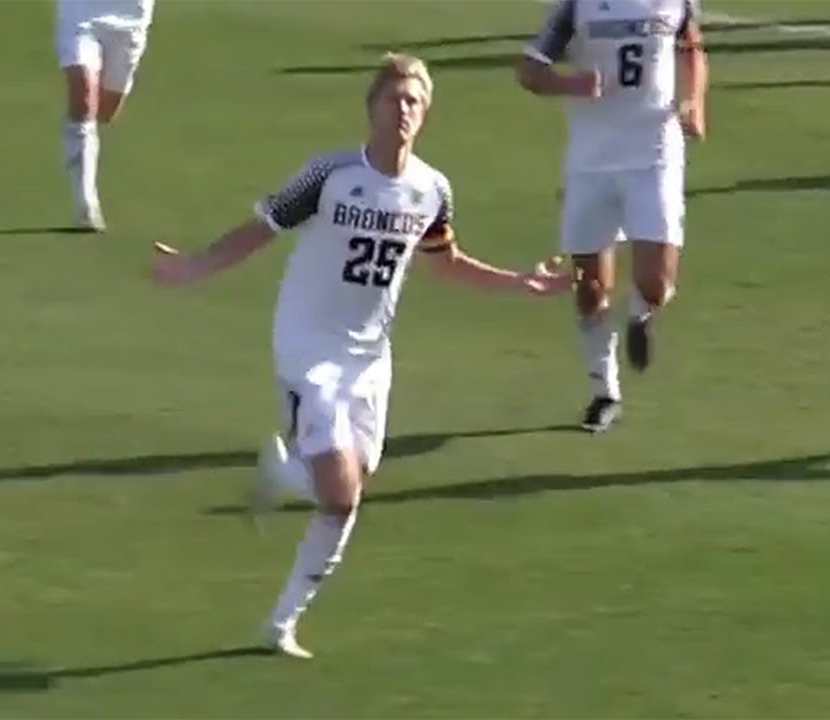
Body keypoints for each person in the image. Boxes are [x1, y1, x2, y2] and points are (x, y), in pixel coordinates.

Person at [152, 54, 569, 658]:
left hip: (371, 356)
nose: (404, 110)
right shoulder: (329, 175)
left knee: (348, 489)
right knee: (342, 493)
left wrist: (519, 282)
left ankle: (280, 616)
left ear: (426, 115)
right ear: (371, 106)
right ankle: (290, 549)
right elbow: (260, 228)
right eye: (394, 98)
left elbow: (445, 263)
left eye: (415, 102)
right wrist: (194, 266)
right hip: (308, 345)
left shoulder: (432, 190)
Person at [516, 0, 709, 433]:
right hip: (591, 162)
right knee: (590, 288)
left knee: (656, 282)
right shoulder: (577, 5)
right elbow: (529, 71)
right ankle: (605, 392)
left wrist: (694, 101)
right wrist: (572, 83)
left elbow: (692, 47)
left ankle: (642, 314)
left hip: (654, 154)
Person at [57, 0, 158, 231]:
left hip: (131, 17)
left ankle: (83, 141)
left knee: (106, 111)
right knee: (84, 97)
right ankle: (86, 204)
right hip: (81, 12)